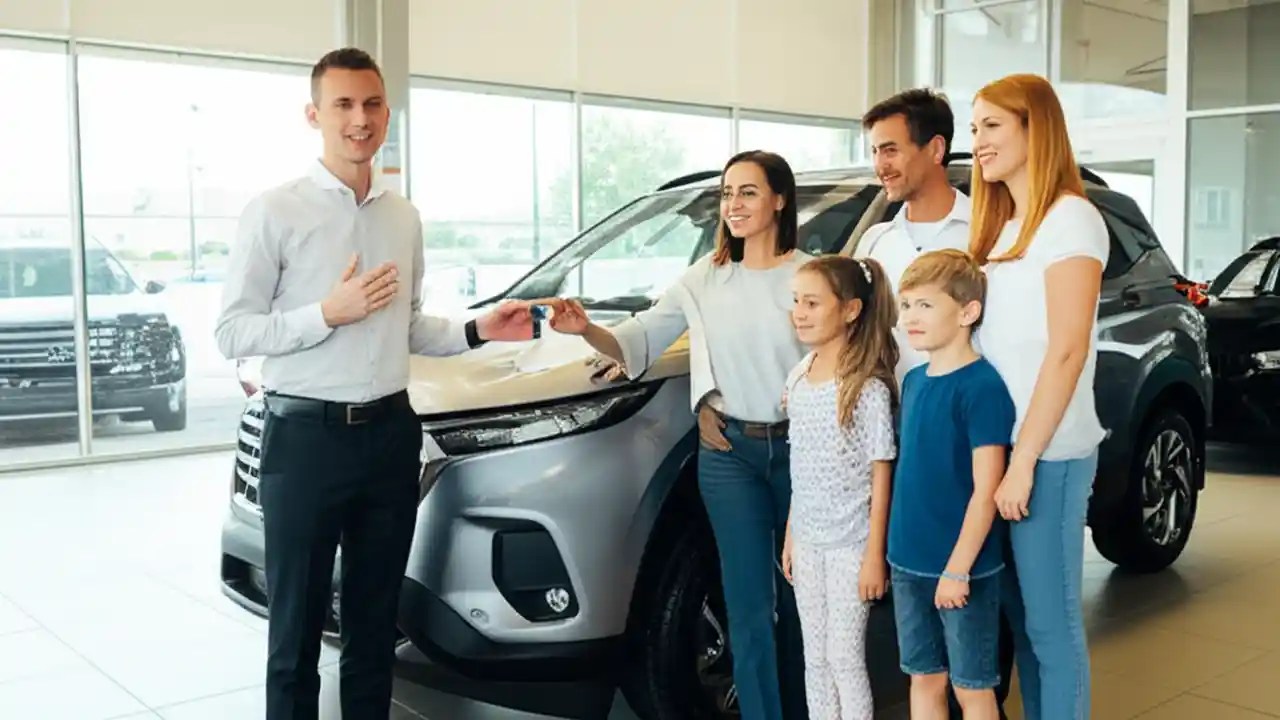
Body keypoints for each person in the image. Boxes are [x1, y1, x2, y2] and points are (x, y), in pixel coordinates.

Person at [214, 48, 534, 720]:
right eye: (344, 105)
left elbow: (409, 327)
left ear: (387, 112)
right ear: (315, 114)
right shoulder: (275, 211)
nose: (360, 119)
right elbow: (233, 333)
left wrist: (480, 330)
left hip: (390, 437)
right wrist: (326, 313)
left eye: (372, 104)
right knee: (296, 629)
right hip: (305, 443)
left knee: (372, 627)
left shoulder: (402, 218)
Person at [545, 150, 811, 720]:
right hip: (728, 456)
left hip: (802, 454)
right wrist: (586, 329)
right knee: (747, 605)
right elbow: (642, 340)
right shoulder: (705, 278)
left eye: (748, 192)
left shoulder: (809, 277)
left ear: (779, 200)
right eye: (727, 194)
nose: (734, 205)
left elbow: (841, 362)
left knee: (803, 602)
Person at [967, 73, 1110, 720]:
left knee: (1053, 631)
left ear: (1036, 129)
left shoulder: (1072, 219)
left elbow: (1067, 350)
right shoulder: (1006, 229)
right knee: (1022, 630)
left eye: (992, 126)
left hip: (1046, 456)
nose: (979, 142)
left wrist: (1023, 460)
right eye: (974, 129)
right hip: (1004, 452)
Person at [888, 249, 1016, 720]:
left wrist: (958, 569)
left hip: (963, 568)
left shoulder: (982, 387)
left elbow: (987, 489)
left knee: (973, 689)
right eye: (905, 305)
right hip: (907, 561)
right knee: (924, 678)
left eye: (925, 305)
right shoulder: (916, 381)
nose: (910, 317)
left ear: (968, 312)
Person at [779, 255, 898, 720]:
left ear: (850, 310)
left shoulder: (866, 388)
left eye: (812, 302)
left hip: (851, 546)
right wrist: (792, 532)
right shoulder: (798, 377)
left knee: (845, 658)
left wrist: (874, 554)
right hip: (808, 541)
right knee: (815, 657)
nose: (800, 313)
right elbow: (800, 464)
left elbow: (880, 475)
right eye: (796, 302)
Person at [856, 88, 971, 380]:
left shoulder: (986, 237)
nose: (881, 166)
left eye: (891, 150)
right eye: (875, 152)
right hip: (887, 415)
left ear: (935, 150)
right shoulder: (875, 242)